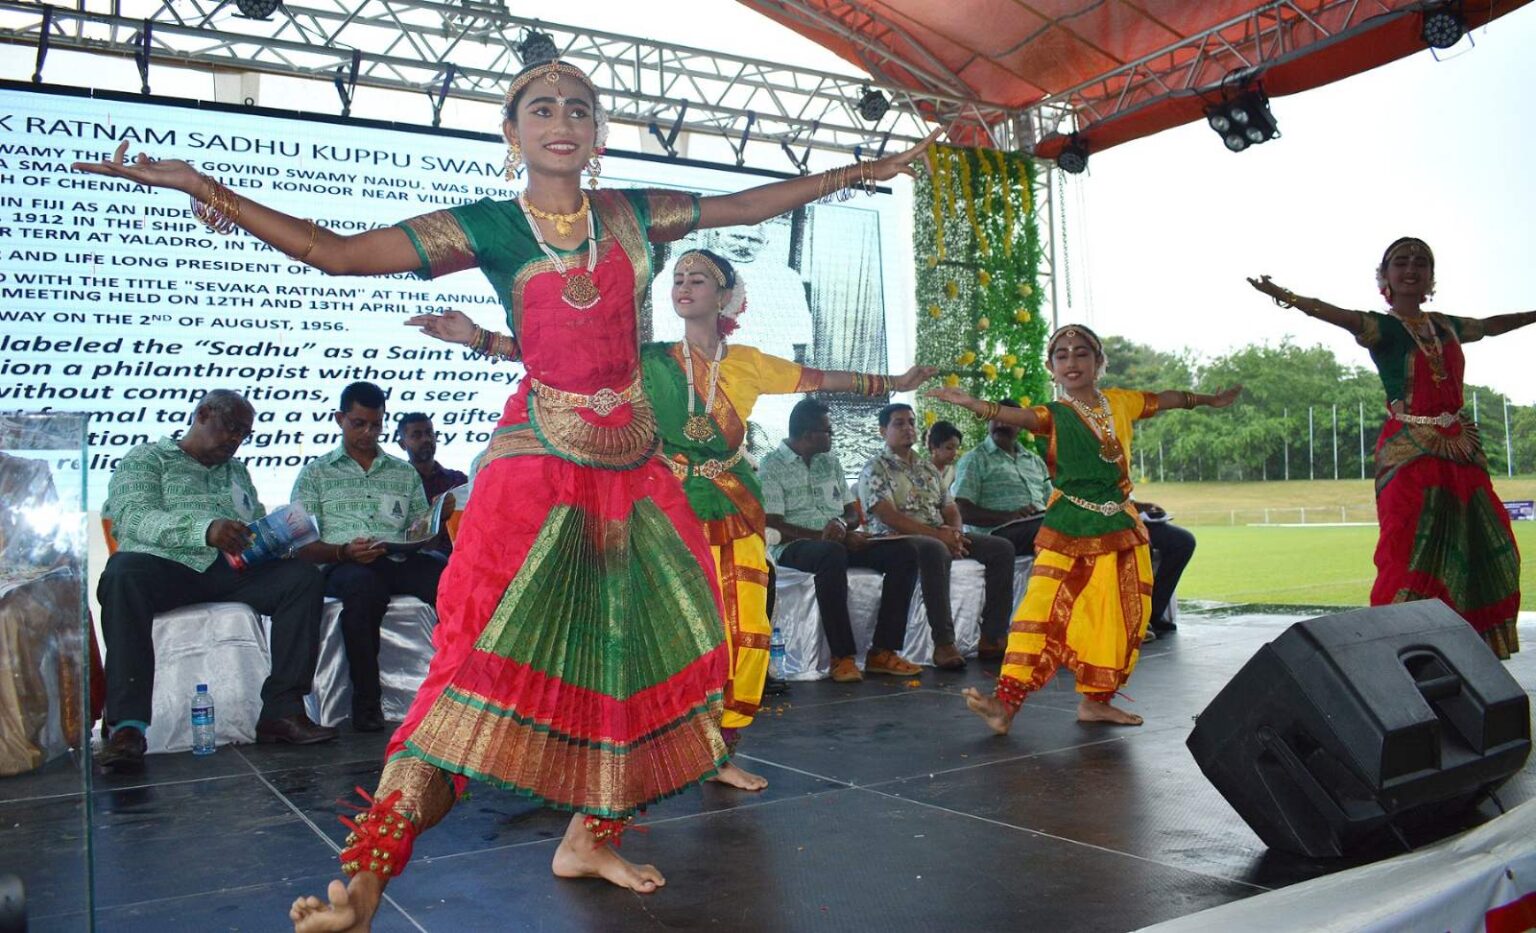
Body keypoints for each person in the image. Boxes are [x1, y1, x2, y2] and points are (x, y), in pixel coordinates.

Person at [74, 54, 937, 927]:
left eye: (580, 108)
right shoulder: (488, 226)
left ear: (598, 134)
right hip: (536, 468)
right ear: (511, 133)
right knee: (470, 664)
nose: (562, 120)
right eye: (541, 108)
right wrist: (204, 186)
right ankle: (371, 873)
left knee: (644, 660)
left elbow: (748, 206)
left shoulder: (631, 214)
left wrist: (859, 171)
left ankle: (590, 835)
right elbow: (334, 253)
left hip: (635, 473)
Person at [414, 247, 932, 790]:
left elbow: (824, 380)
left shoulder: (749, 363)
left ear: (725, 295)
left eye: (698, 279)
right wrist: (480, 338)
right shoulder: (650, 361)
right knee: (671, 635)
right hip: (667, 507)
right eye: (679, 279)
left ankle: (720, 750)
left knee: (745, 631)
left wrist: (896, 381)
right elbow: (568, 360)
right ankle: (620, 754)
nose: (684, 286)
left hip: (732, 503)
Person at [928, 325, 1240, 734]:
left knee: (1115, 617)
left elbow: (1166, 399)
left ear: (1098, 362)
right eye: (1061, 355)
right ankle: (1005, 704)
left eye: (1081, 353)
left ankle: (1096, 702)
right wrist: (975, 404)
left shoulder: (1122, 402)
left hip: (1120, 526)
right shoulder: (1054, 414)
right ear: (1051, 367)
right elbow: (1019, 416)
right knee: (1040, 611)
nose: (1071, 362)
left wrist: (1206, 400)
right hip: (1069, 525)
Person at [1249, 238, 1533, 658]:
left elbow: (1491, 325)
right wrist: (1286, 295)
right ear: (1384, 276)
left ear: (1431, 277)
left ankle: (1464, 648)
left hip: (1462, 452)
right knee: (1405, 548)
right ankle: (1395, 647)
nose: (1411, 269)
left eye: (1421, 263)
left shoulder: (1448, 326)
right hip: (1409, 452)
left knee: (1482, 541)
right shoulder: (1381, 328)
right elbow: (1333, 313)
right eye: (1401, 262)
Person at [96, 390, 337, 774]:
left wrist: (275, 539)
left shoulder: (236, 472)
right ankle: (127, 728)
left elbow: (253, 520)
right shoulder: (147, 458)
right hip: (165, 567)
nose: (235, 439)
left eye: (243, 434)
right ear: (203, 414)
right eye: (230, 427)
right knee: (122, 573)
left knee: (303, 578)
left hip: (229, 571)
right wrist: (205, 530)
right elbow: (135, 518)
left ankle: (282, 711)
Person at [951, 400, 1193, 640]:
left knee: (1164, 538)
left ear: (1020, 424)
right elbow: (963, 509)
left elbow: (1055, 499)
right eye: (995, 417)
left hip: (1041, 521)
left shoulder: (1033, 461)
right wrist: (1010, 515)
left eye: (1008, 418)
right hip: (1002, 532)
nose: (1001, 423)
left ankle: (1137, 617)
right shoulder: (975, 459)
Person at [291, 382, 446, 734]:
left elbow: (422, 535)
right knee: (363, 588)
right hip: (343, 563)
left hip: (395, 559)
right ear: (339, 419)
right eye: (358, 424)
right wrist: (342, 551)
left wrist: (434, 522)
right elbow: (301, 545)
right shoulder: (316, 473)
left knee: (448, 575)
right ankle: (367, 702)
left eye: (376, 425)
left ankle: (465, 686)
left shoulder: (403, 472)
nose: (368, 433)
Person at [762, 398, 924, 683]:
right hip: (792, 547)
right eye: (828, 431)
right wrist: (827, 537)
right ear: (807, 434)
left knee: (904, 552)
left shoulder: (831, 462)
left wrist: (841, 525)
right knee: (831, 553)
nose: (833, 435)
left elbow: (851, 513)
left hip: (838, 541)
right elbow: (773, 523)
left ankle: (882, 651)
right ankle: (842, 656)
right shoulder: (772, 465)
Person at [858, 403, 1016, 670]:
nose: (908, 428)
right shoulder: (876, 468)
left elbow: (950, 508)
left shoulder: (927, 467)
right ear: (883, 431)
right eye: (899, 423)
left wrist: (955, 534)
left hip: (938, 533)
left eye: (911, 422)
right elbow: (888, 516)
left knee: (1001, 548)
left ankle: (993, 637)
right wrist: (939, 536)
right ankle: (944, 643)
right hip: (896, 539)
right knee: (934, 548)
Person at [395, 412, 466, 556]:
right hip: (418, 560)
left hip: (463, 556)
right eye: (417, 435)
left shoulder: (458, 480)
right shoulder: (397, 486)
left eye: (429, 433)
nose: (426, 439)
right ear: (402, 444)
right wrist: (436, 515)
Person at [926, 420, 962, 491]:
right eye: (949, 448)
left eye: (957, 448)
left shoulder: (955, 473)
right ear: (934, 446)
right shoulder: (921, 471)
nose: (955, 453)